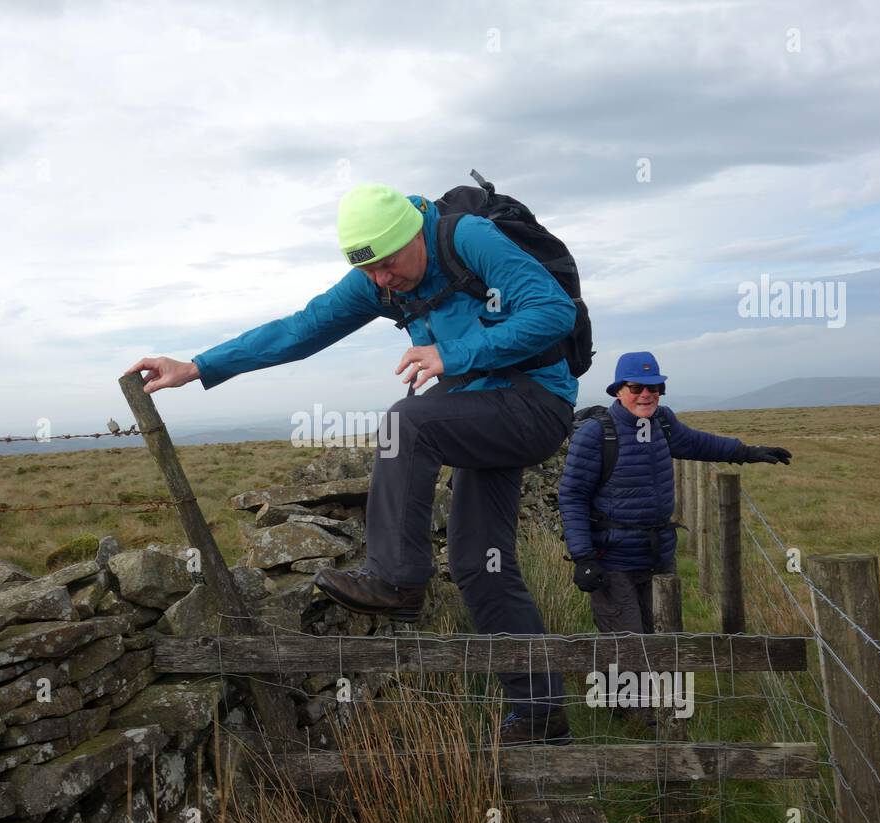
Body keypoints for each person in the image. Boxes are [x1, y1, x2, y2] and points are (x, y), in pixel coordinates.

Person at [129, 182, 578, 745]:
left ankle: (395, 580)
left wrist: (453, 354)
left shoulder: (469, 239)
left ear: (414, 234)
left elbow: (553, 313)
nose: (383, 282)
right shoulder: (378, 279)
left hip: (535, 402)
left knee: (406, 422)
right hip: (476, 413)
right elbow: (301, 330)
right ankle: (540, 712)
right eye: (371, 274)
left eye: (389, 265)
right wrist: (198, 365)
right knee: (476, 562)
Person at [557, 351, 792, 722]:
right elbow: (571, 496)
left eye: (654, 387)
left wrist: (747, 453)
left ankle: (633, 707)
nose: (646, 395)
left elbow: (700, 444)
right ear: (619, 390)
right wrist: (583, 557)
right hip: (611, 557)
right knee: (627, 637)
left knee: (659, 634)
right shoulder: (595, 435)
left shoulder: (663, 424)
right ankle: (645, 722)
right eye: (636, 387)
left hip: (657, 554)